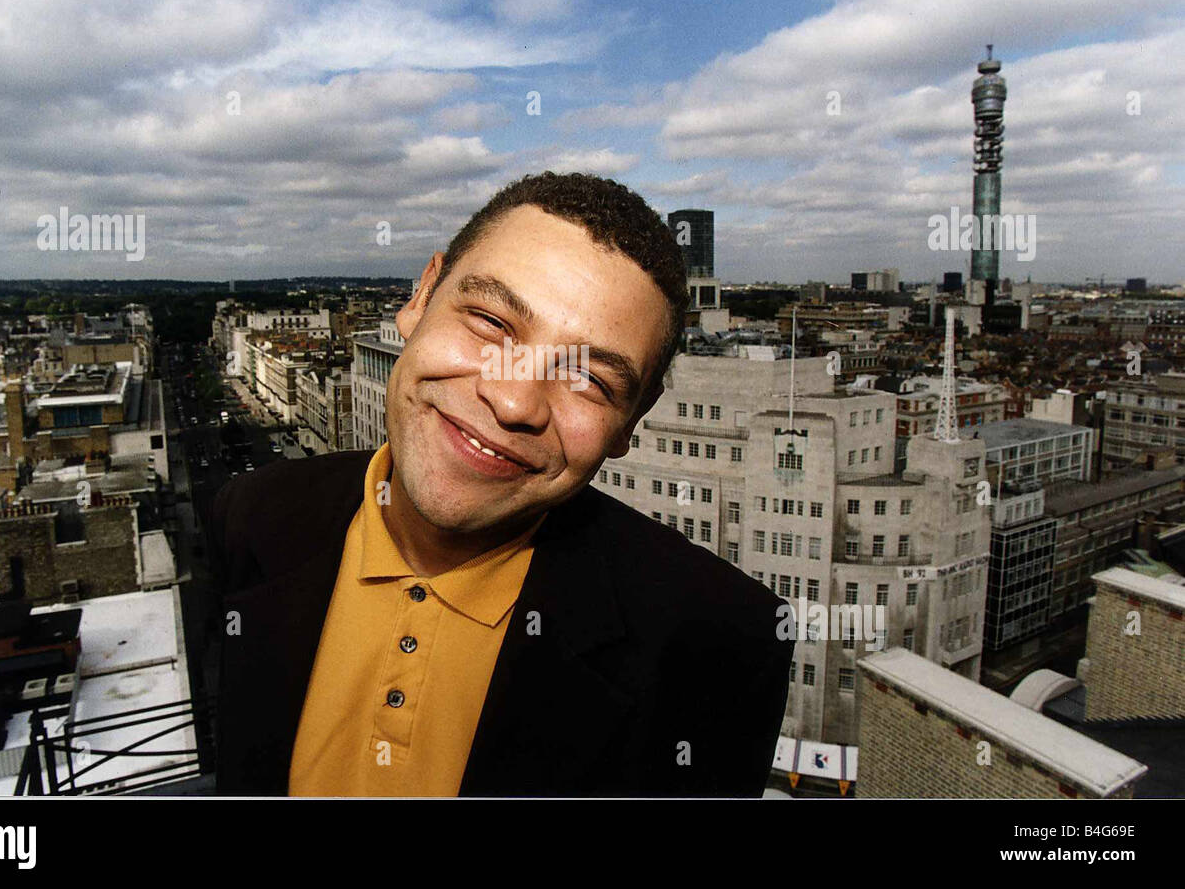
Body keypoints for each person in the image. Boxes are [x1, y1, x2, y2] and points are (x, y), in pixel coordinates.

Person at [207, 171, 791, 796]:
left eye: (590, 380)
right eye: (489, 321)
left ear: (630, 426)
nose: (513, 399)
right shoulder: (252, 516)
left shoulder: (717, 644)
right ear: (420, 297)